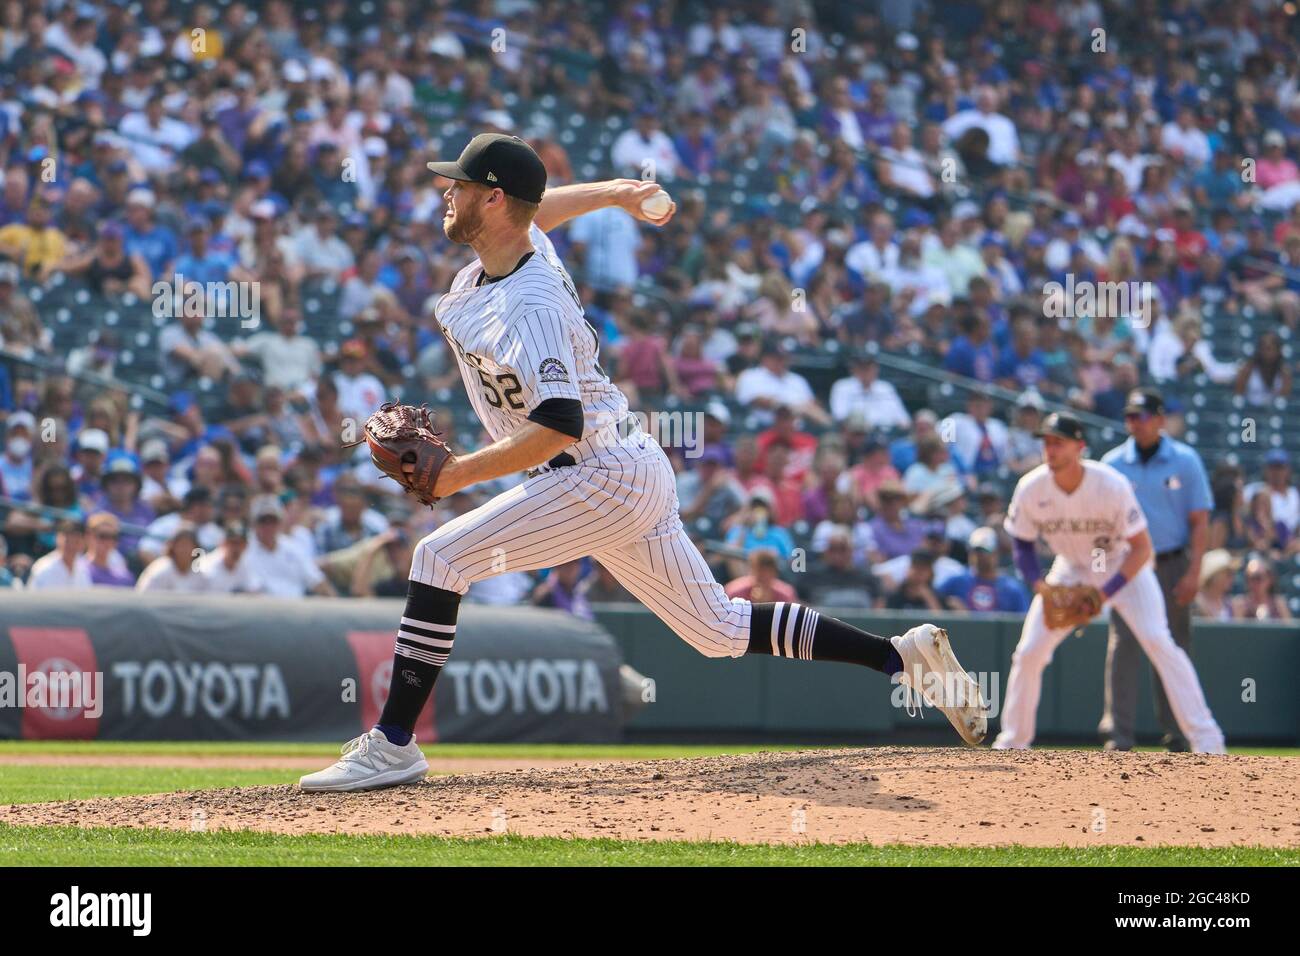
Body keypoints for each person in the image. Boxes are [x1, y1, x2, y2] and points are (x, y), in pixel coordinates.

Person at [300, 135, 986, 792]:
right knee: (716, 630)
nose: (445, 191)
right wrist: (616, 191)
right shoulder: (510, 250)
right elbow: (546, 209)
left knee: (438, 559)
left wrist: (452, 479)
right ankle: (902, 656)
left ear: (494, 200)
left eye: (460, 183)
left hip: (594, 471)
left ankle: (391, 744)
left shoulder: (530, 303)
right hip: (623, 467)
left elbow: (556, 425)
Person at [993, 412, 1224, 753]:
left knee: (1159, 642)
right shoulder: (1031, 487)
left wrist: (1104, 594)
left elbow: (1142, 548)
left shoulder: (1109, 484)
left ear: (1080, 446)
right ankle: (1013, 741)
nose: (1050, 449)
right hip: (1070, 568)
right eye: (1046, 442)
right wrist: (1040, 587)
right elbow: (1023, 544)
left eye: (1058, 442)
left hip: (1120, 565)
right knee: (1029, 652)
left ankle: (1208, 740)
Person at [1098, 389, 1214, 752]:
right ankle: (1118, 735)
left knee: (1173, 646)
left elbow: (1199, 521)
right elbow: (1100, 523)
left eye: (1144, 416)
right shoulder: (1112, 462)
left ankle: (1179, 734)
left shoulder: (1185, 459)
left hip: (1170, 562)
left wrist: (1195, 571)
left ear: (1161, 419)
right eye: (1131, 416)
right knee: (1124, 645)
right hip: (1128, 564)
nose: (1137, 423)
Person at [939, 527, 1030, 613]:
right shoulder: (956, 582)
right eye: (975, 551)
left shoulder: (1012, 589)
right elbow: (935, 602)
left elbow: (1020, 621)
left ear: (996, 553)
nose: (979, 556)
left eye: (984, 551)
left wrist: (967, 615)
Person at [136, 523, 207, 592]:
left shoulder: (200, 573)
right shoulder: (160, 570)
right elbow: (143, 598)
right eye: (181, 545)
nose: (185, 550)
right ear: (173, 547)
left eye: (188, 546)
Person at [27, 519, 92, 590]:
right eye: (67, 541)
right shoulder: (44, 568)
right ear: (58, 539)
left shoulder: (84, 567)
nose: (71, 546)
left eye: (76, 542)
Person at [1230, 556, 1293, 621]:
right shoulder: (1240, 604)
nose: (1254, 582)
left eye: (1258, 577)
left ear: (1269, 579)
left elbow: (1288, 627)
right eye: (1250, 578)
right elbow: (1238, 629)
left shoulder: (1279, 604)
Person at [1194, 548, 1240, 621]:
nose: (1232, 577)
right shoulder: (1195, 604)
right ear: (1214, 576)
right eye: (1228, 573)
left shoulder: (1230, 606)